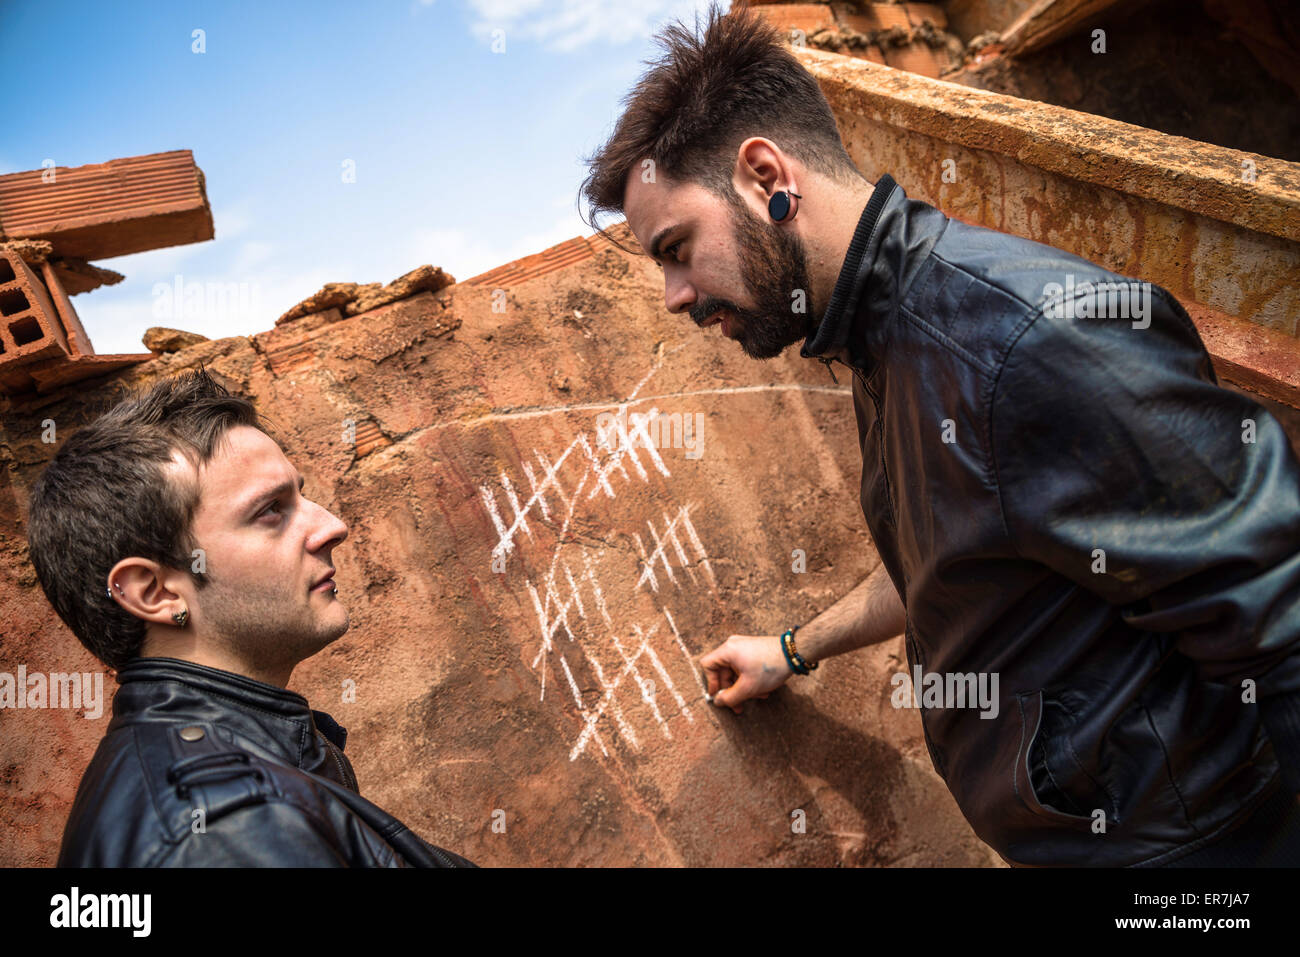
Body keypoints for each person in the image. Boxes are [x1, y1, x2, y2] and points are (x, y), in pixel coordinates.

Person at [579, 3, 1300, 866]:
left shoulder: (1022, 344)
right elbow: (951, 564)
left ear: (765, 174)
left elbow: (1281, 618)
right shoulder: (881, 343)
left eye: (675, 246)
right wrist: (790, 649)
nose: (674, 295)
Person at [27, 367, 474, 867]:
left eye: (300, 496)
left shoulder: (230, 782)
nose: (332, 526)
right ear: (155, 593)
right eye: (270, 511)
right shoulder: (224, 826)